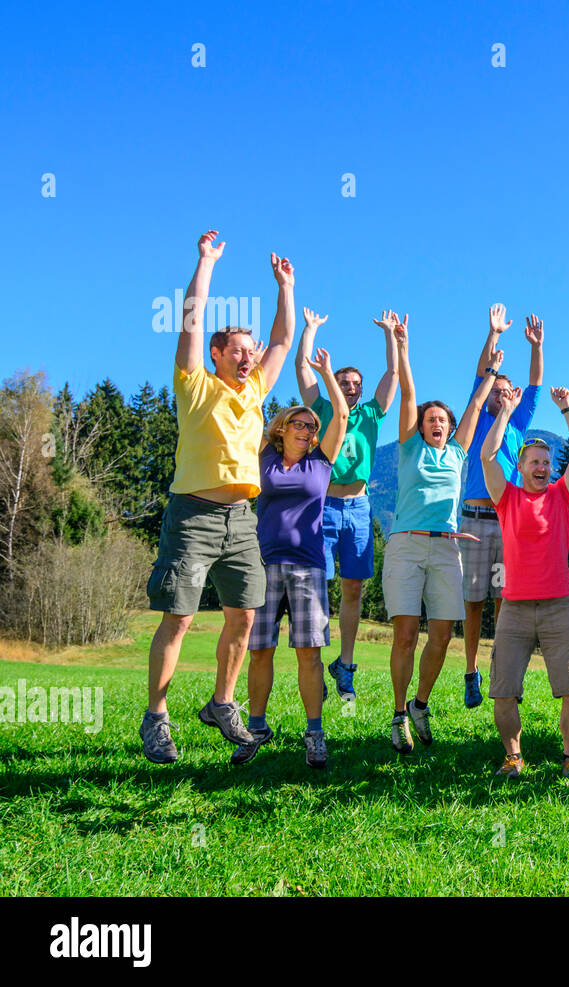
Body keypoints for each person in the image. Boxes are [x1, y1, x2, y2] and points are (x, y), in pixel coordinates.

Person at [141, 231, 296, 764]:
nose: (249, 359)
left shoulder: (255, 390)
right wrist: (205, 262)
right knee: (179, 618)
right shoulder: (195, 385)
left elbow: (282, 340)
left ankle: (221, 703)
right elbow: (191, 316)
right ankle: (156, 717)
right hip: (193, 516)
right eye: (238, 351)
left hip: (241, 521)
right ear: (216, 354)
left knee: (246, 616)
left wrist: (285, 289)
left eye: (250, 353)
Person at [384, 315, 498, 753]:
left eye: (441, 420)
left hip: (447, 548)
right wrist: (403, 347)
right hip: (406, 545)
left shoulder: (457, 453)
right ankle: (398, 715)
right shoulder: (411, 447)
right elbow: (409, 393)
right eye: (429, 419)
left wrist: (491, 357)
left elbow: (473, 406)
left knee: (443, 634)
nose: (436, 423)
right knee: (406, 633)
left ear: (450, 428)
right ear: (419, 425)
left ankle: (420, 704)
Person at [238, 339, 349, 768]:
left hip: (307, 568)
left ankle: (314, 734)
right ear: (282, 428)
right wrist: (252, 368)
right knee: (259, 650)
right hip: (263, 564)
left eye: (310, 427)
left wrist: (325, 373)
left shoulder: (321, 463)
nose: (305, 431)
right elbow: (250, 410)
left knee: (309, 653)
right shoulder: (264, 456)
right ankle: (255, 729)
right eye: (297, 424)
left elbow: (340, 415)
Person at [483, 384, 569, 780]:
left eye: (546, 461)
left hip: (559, 604)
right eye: (534, 461)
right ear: (523, 465)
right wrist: (505, 411)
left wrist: (567, 408)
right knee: (503, 689)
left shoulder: (563, 495)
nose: (542, 467)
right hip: (514, 606)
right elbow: (487, 455)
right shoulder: (507, 497)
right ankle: (513, 757)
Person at [294, 304, 397, 701]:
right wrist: (310, 329)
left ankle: (346, 664)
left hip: (359, 508)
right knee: (317, 586)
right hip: (322, 506)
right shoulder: (320, 409)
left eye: (355, 382)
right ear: (334, 384)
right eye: (344, 381)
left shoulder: (371, 413)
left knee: (353, 589)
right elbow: (303, 368)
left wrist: (390, 333)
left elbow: (391, 376)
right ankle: (315, 665)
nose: (351, 387)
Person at [458, 305, 544, 709]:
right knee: (473, 602)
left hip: (509, 522)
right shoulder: (476, 422)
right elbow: (480, 374)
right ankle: (471, 672)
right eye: (494, 390)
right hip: (474, 521)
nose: (499, 395)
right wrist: (492, 335)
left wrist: (536, 347)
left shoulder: (517, 425)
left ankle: (501, 672)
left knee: (505, 601)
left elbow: (536, 382)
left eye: (505, 392)